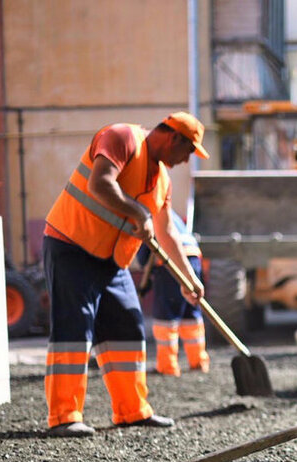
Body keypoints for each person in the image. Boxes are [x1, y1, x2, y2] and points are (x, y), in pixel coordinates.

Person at [42, 111, 210, 437]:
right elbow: (100, 183)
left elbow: (167, 235)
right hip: (71, 246)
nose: (185, 160)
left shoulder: (162, 180)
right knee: (73, 330)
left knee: (128, 328)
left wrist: (189, 280)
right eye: (188, 151)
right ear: (174, 138)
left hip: (112, 262)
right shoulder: (122, 138)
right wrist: (137, 212)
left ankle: (132, 411)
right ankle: (64, 416)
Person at [137, 209, 211, 377]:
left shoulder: (143, 215)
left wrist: (146, 279)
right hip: (193, 258)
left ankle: (167, 366)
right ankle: (198, 361)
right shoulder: (167, 212)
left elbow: (144, 255)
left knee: (166, 315)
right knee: (190, 311)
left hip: (169, 262)